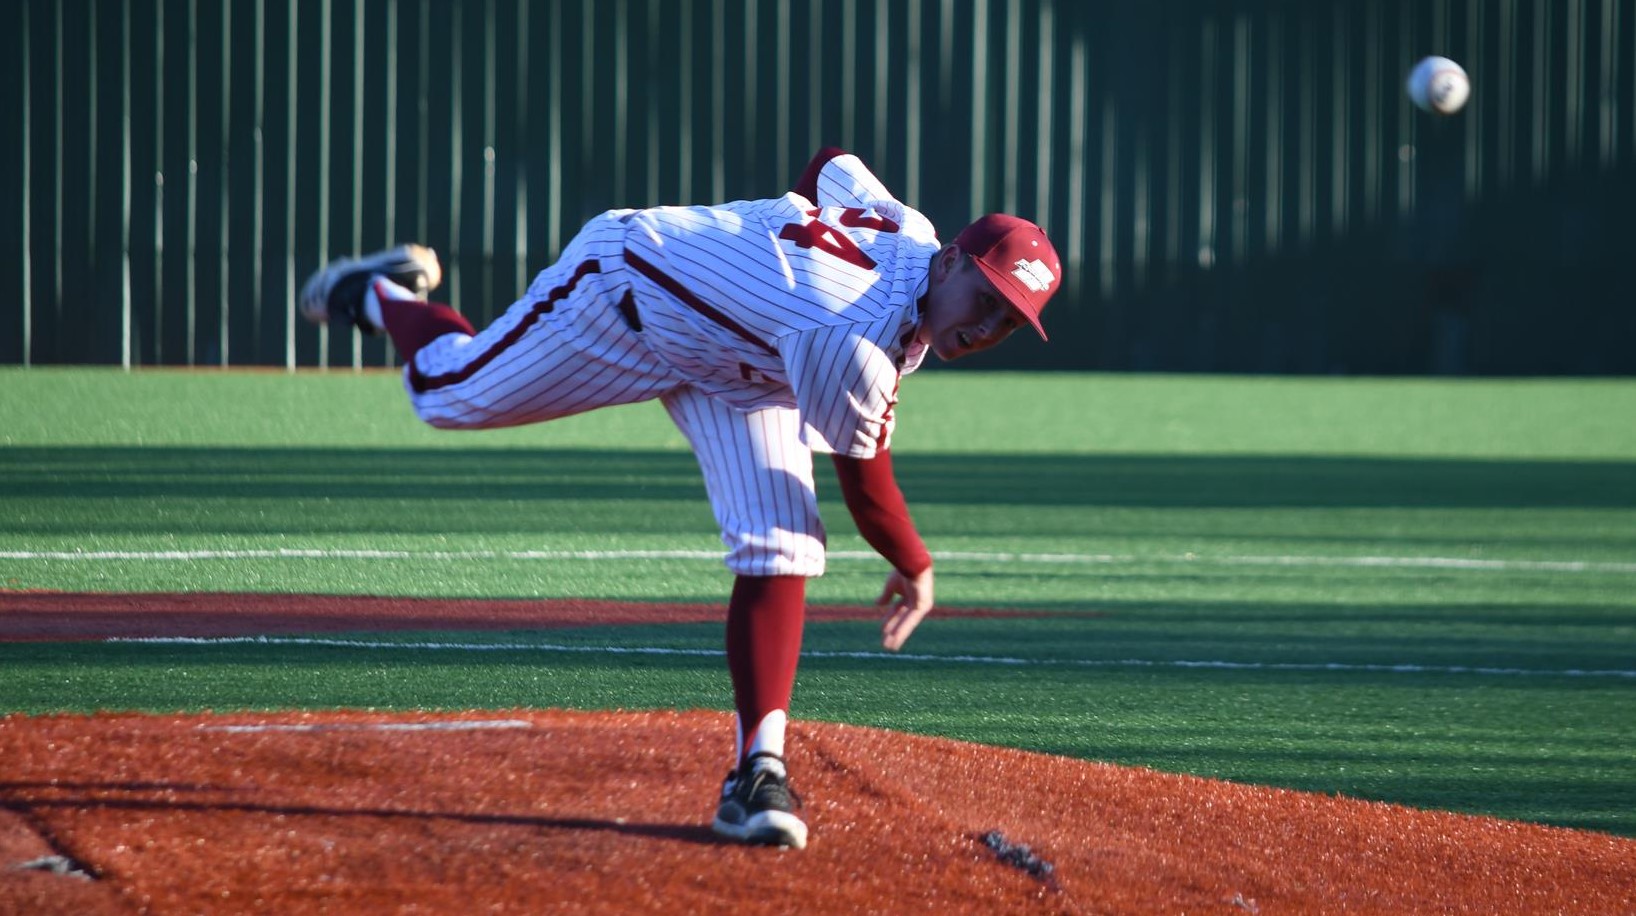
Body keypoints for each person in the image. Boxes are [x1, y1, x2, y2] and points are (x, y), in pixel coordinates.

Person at [300, 147, 1062, 849]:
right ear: (953, 259)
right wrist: (914, 562)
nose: (989, 325)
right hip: (624, 297)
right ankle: (375, 294)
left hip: (746, 363)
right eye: (986, 296)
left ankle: (758, 775)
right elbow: (866, 486)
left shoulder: (913, 235)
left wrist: (775, 252)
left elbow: (835, 165)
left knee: (782, 539)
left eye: (1009, 320)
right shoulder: (854, 338)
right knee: (448, 392)